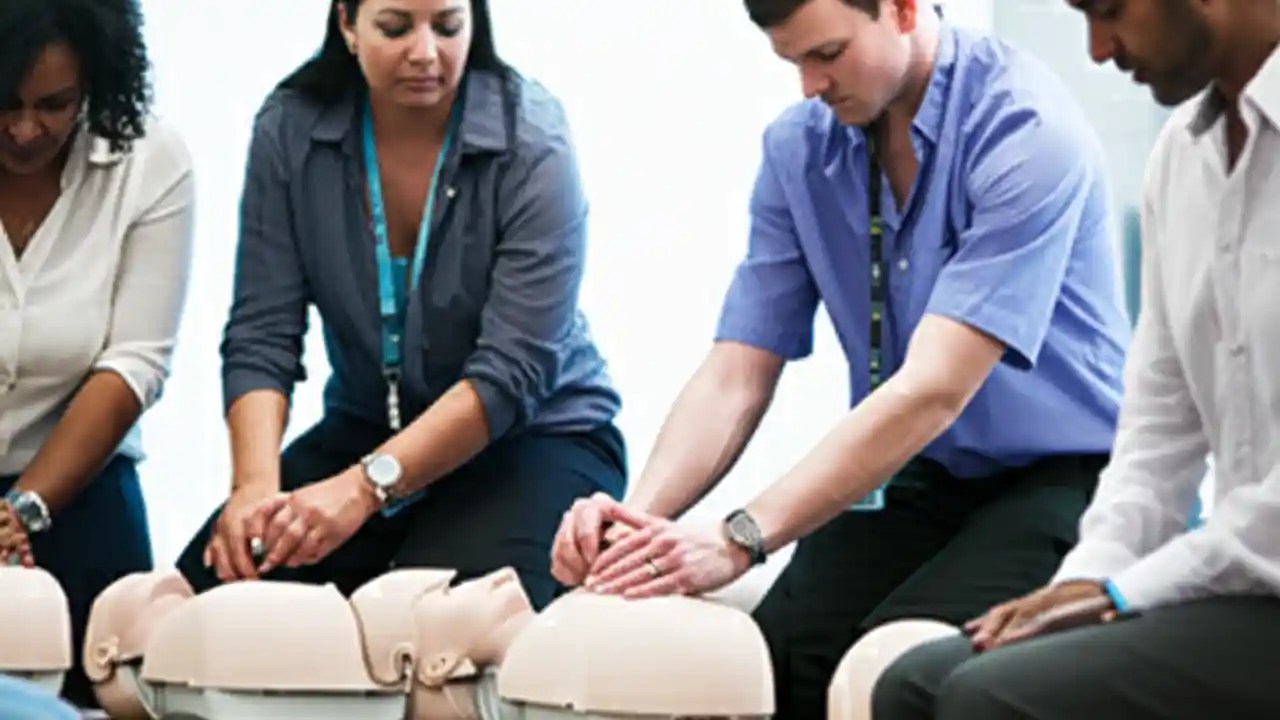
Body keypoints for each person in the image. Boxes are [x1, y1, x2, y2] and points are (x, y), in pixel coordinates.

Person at [550, 0, 1132, 716]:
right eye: (793, 61)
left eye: (827, 53)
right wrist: (634, 527)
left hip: (1071, 481)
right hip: (925, 475)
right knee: (781, 657)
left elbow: (932, 391)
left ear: (903, 8)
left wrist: (742, 536)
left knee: (889, 666)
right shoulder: (799, 149)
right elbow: (738, 370)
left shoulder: (1025, 128)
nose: (810, 85)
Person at [871, 1, 1280, 718]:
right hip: (1241, 589)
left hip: (1254, 586)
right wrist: (1092, 576)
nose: (1096, 50)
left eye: (1110, 10)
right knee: (913, 684)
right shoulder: (1182, 159)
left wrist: (1126, 592)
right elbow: (1159, 425)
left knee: (987, 698)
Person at [173, 0, 625, 612]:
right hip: (366, 429)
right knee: (202, 605)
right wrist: (254, 488)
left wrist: (365, 488)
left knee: (430, 619)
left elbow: (509, 376)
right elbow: (262, 332)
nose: (424, 52)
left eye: (447, 26)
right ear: (346, 25)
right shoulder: (291, 127)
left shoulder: (532, 139)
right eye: (395, 27)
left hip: (531, 438)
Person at [0, 0, 195, 709]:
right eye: (4, 104)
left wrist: (23, 511)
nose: (26, 130)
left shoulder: (148, 160)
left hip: (79, 493)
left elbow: (134, 361)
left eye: (54, 105)